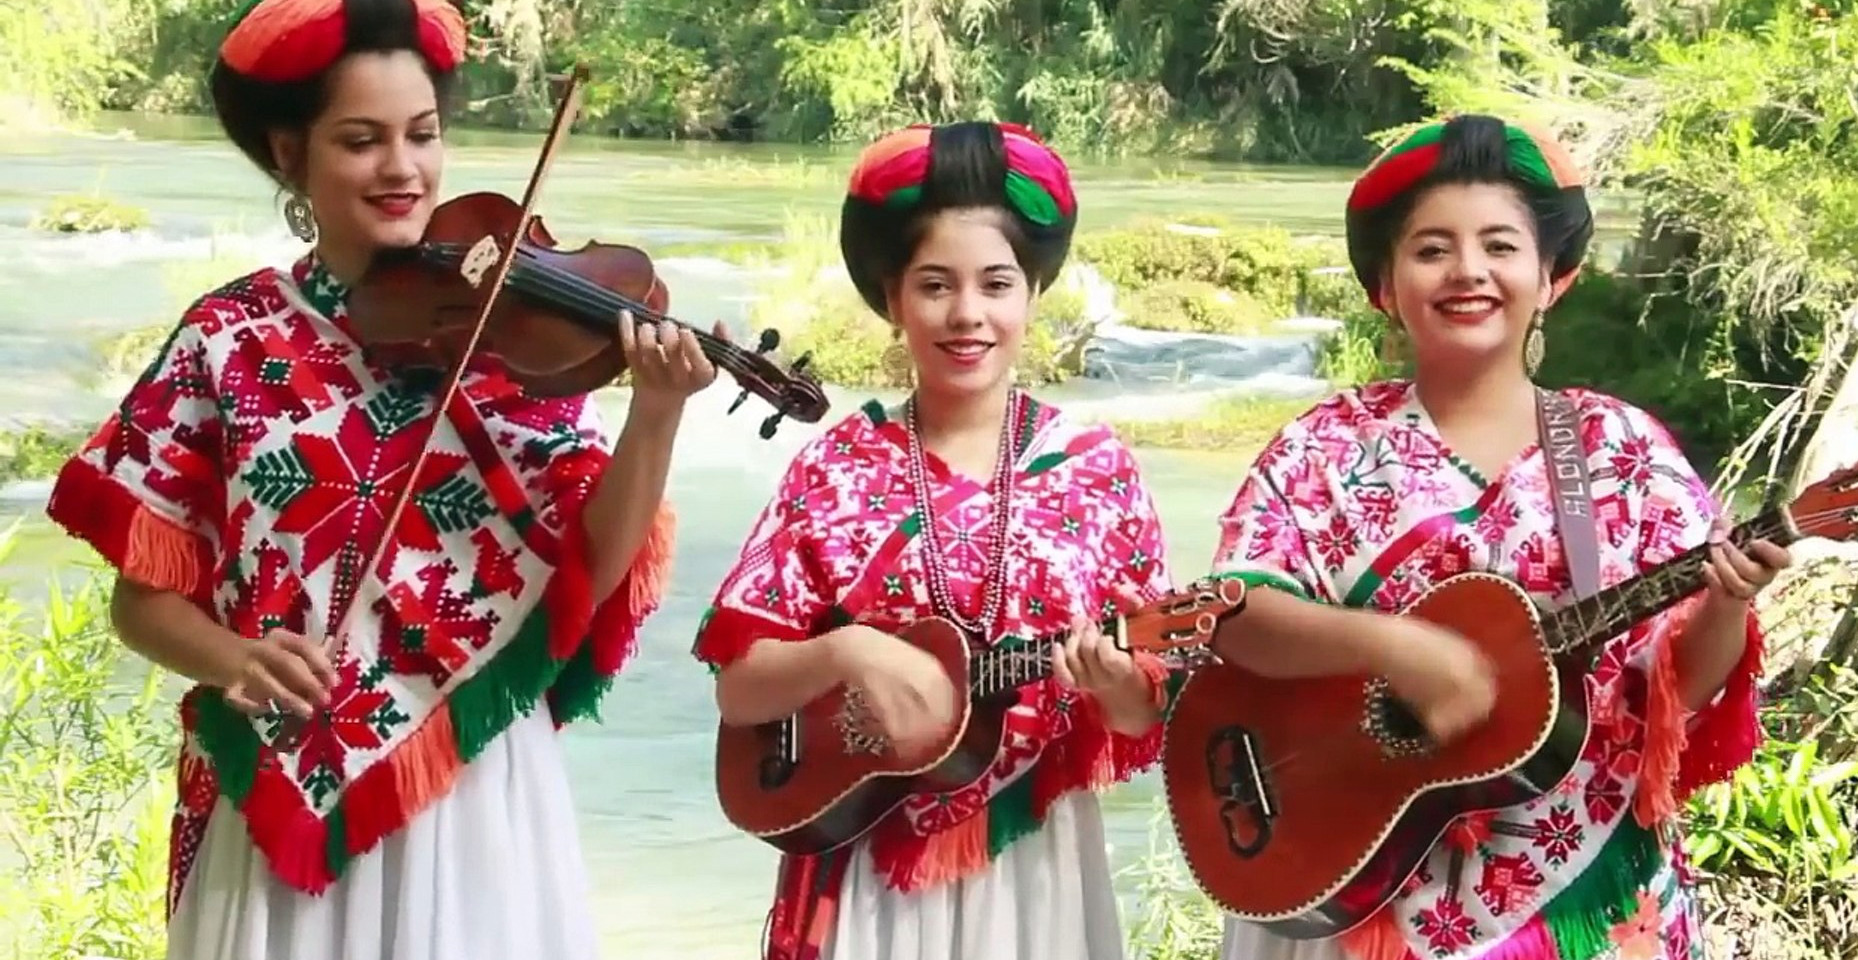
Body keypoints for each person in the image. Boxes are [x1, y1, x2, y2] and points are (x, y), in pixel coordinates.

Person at [41, 1, 716, 957]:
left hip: (471, 788)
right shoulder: (230, 338)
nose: (403, 170)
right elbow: (142, 604)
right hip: (272, 774)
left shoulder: (511, 341)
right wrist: (232, 659)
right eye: (362, 141)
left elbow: (589, 574)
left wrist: (658, 411)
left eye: (424, 135)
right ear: (289, 155)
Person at [1206, 114, 1791, 960]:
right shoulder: (1323, 448)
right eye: (1432, 248)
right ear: (1385, 284)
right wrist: (1402, 651)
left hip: (1587, 891)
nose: (1468, 271)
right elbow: (1235, 612)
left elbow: (1673, 689)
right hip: (1357, 866)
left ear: (1554, 276)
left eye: (1501, 246)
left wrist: (1728, 603)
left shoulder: (1620, 449)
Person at [692, 120, 1174, 960]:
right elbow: (742, 691)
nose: (968, 315)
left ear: (1031, 296)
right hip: (865, 858)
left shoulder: (1096, 470)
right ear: (892, 301)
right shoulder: (837, 465)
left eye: (996, 284)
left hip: (1037, 860)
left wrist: (1113, 685)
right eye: (935, 286)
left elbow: (1146, 711)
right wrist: (849, 654)